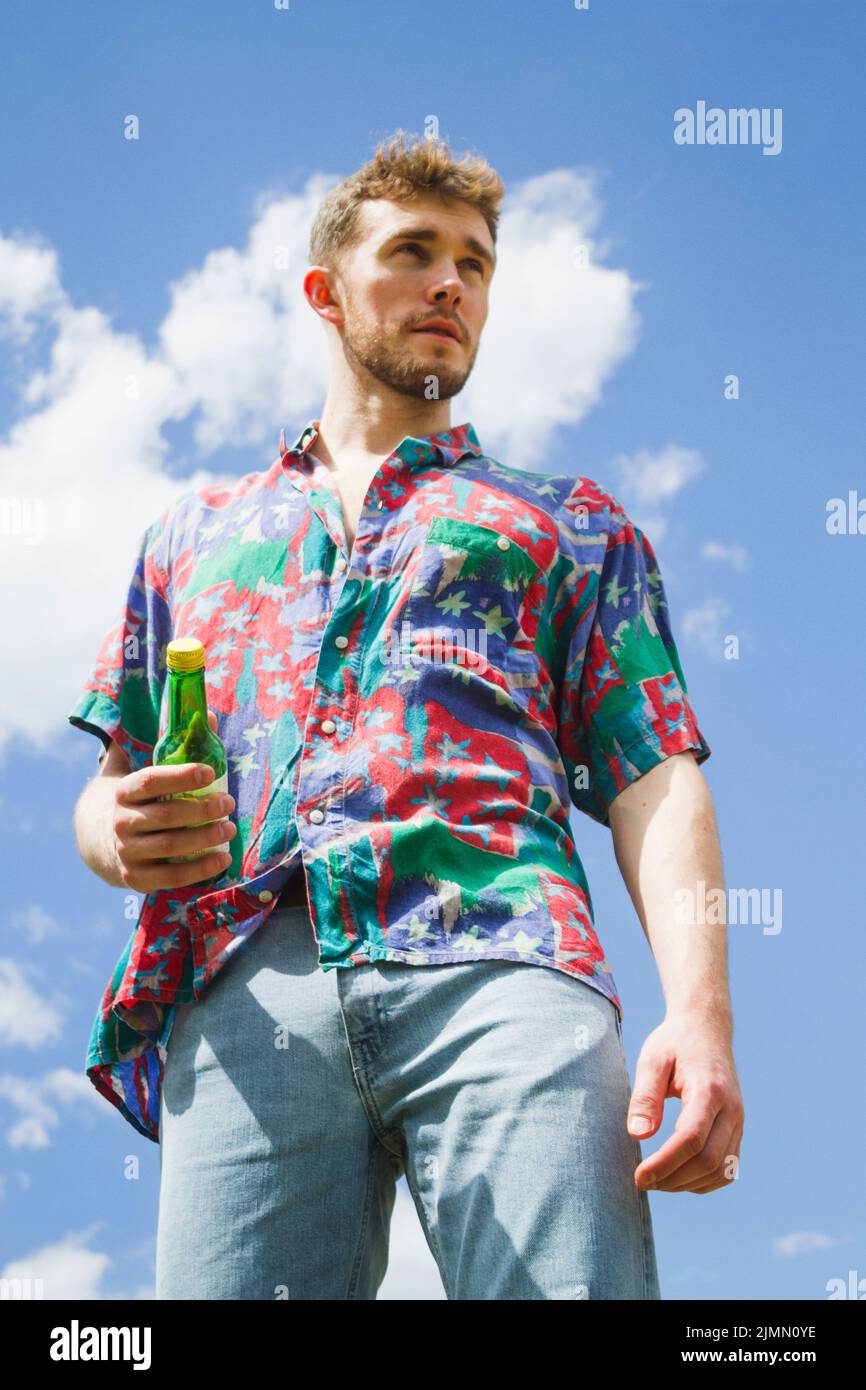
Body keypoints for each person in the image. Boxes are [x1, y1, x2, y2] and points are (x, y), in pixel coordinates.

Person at [69, 129, 743, 1300]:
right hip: (245, 988)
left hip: (507, 960)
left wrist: (698, 1009)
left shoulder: (570, 523)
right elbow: (114, 775)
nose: (451, 283)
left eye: (475, 264)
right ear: (326, 293)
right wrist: (112, 830)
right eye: (415, 251)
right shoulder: (191, 534)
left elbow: (655, 773)